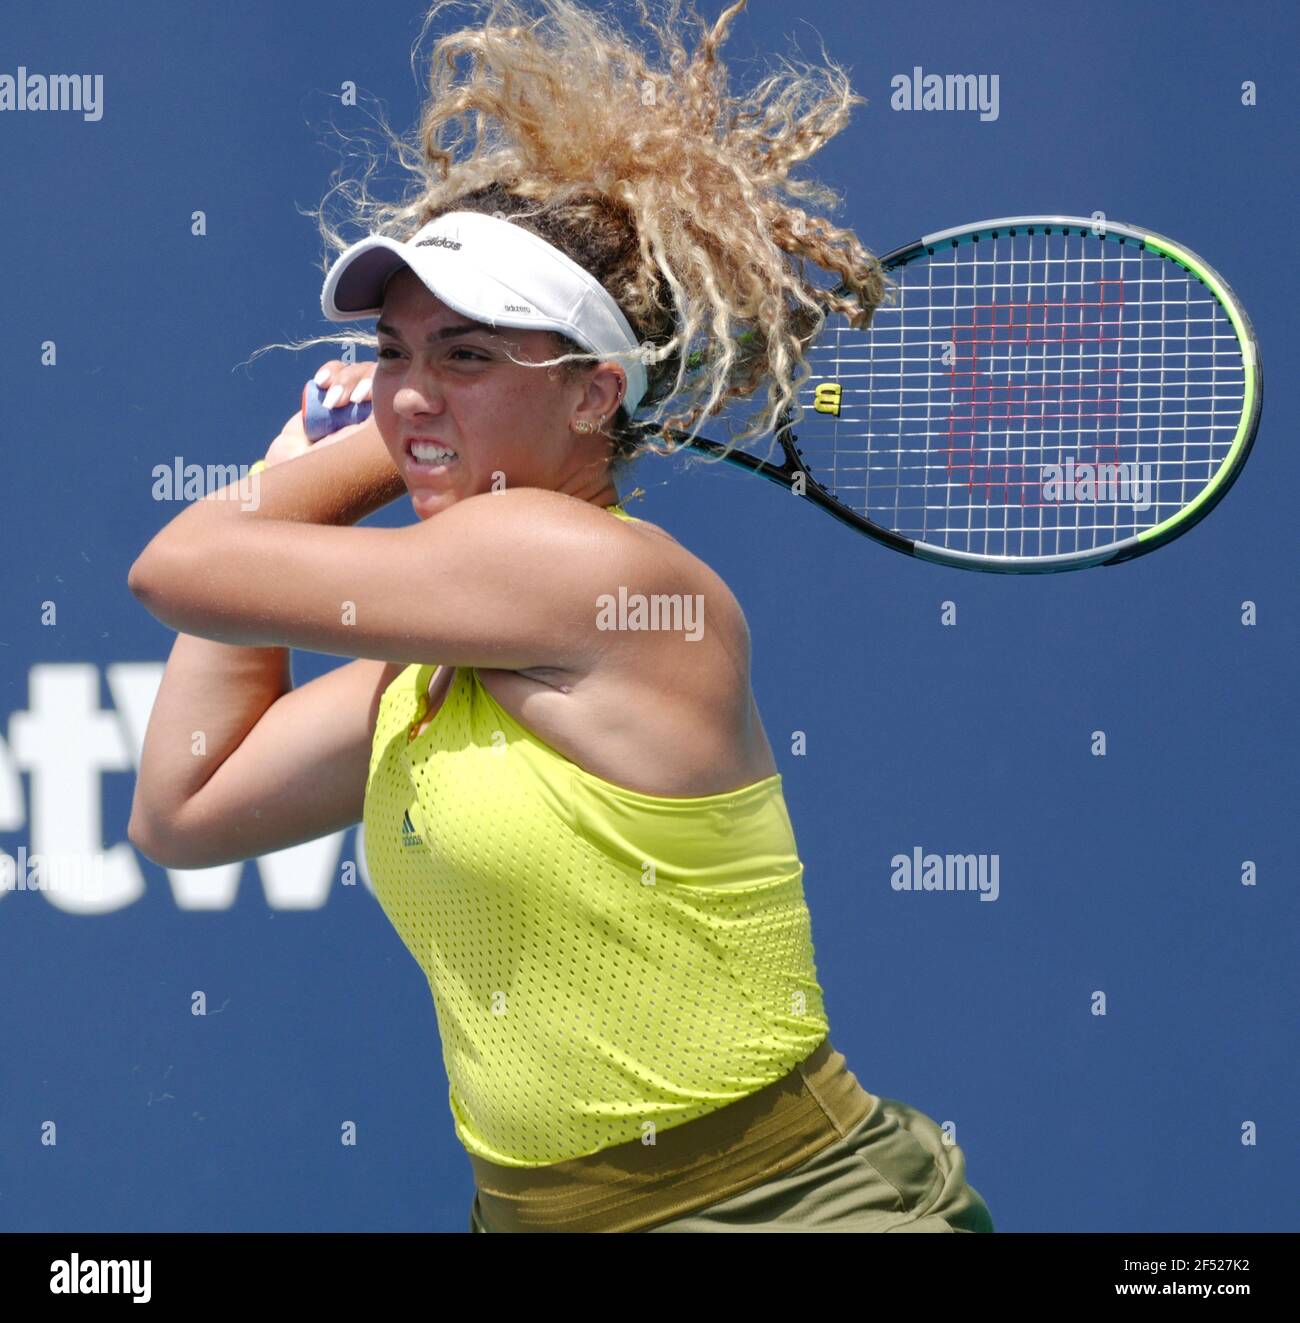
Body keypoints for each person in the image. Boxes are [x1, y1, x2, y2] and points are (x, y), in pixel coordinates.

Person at [127, 0, 992, 1233]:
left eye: (465, 357)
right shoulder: (435, 670)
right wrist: (341, 462)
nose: (409, 388)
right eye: (391, 350)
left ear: (595, 395)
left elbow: (179, 562)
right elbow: (186, 808)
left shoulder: (562, 566)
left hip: (787, 1208)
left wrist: (345, 458)